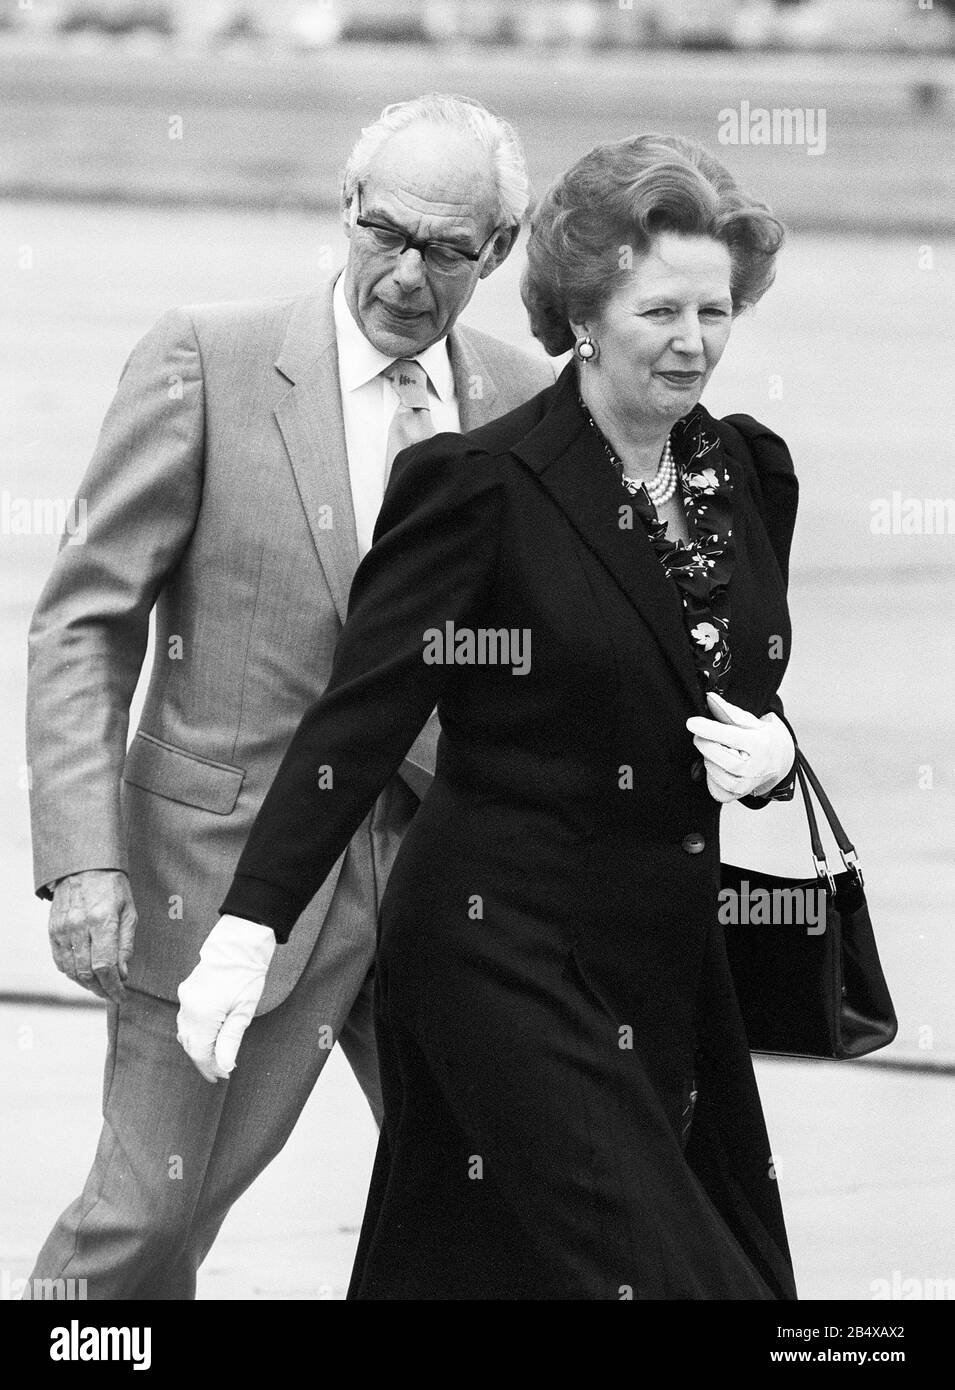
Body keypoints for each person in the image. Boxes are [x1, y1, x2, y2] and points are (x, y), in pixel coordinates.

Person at [178, 133, 802, 1300]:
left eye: (716, 311)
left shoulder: (745, 474)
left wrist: (772, 757)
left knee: (479, 1274)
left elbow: (732, 684)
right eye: (659, 309)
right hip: (498, 946)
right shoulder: (482, 486)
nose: (692, 341)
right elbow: (360, 721)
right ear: (581, 309)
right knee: (674, 1279)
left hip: (667, 964)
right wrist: (246, 925)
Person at [25, 92, 552, 1300]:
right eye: (384, 231)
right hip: (219, 880)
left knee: (514, 1202)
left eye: (445, 248)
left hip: (441, 883)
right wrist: (84, 861)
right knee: (144, 1224)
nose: (405, 272)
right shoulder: (205, 360)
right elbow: (85, 620)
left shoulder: (530, 398)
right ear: (346, 211)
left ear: (499, 254)